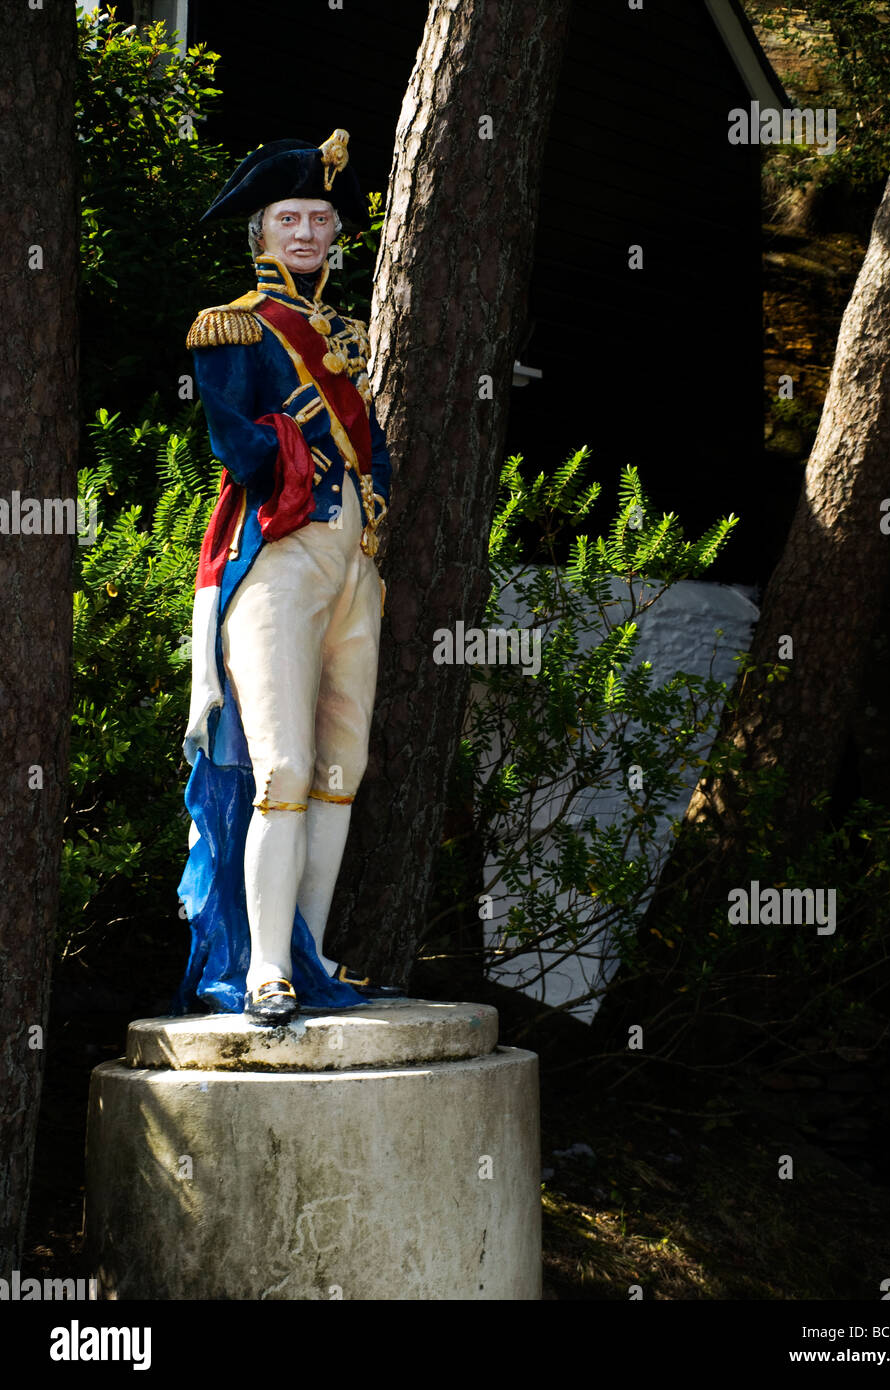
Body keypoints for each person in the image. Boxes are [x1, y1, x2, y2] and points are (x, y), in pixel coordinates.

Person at [176, 131, 399, 1025]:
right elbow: (236, 443)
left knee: (341, 767)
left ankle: (309, 957)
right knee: (284, 769)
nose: (307, 231)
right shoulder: (232, 324)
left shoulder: (346, 334)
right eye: (289, 218)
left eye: (318, 218)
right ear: (260, 235)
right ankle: (265, 969)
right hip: (277, 551)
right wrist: (304, 445)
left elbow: (375, 455)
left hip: (354, 558)